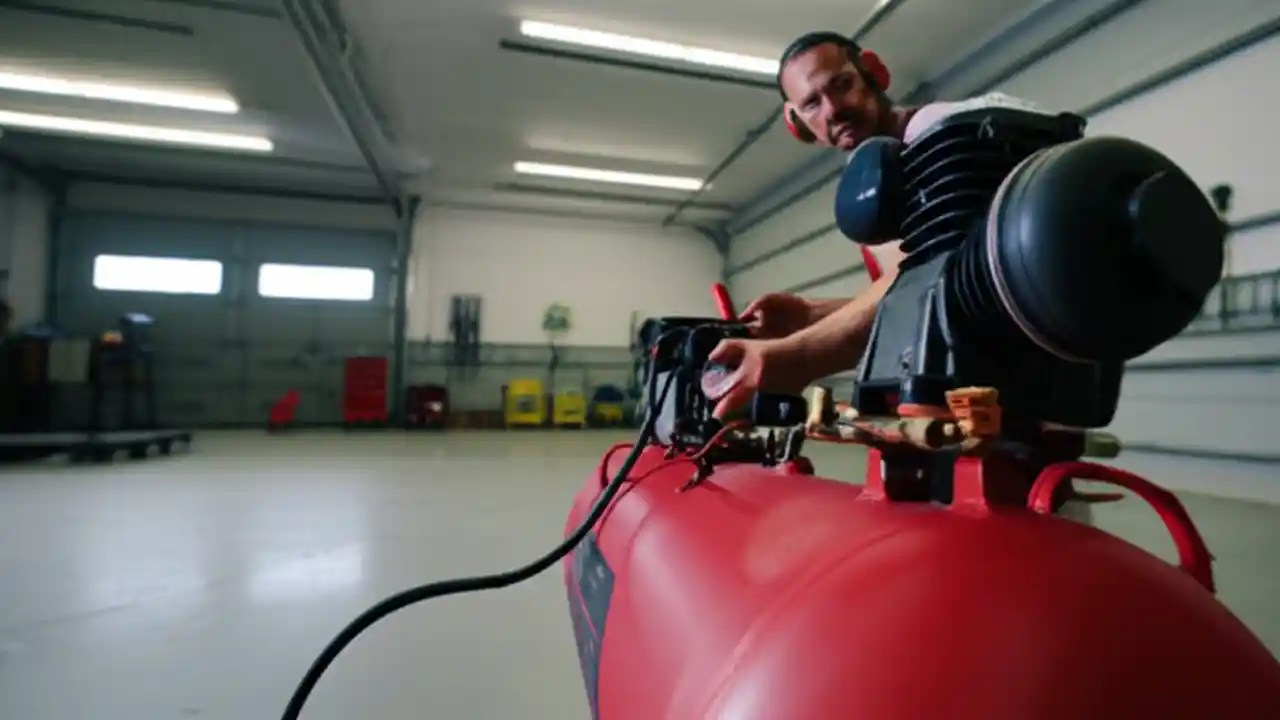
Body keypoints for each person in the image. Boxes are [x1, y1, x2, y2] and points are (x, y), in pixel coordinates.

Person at [710, 32, 1039, 418]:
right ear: (797, 123)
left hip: (1003, 403)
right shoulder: (879, 181)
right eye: (812, 103)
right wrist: (809, 314)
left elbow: (941, 282)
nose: (832, 110)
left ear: (874, 73)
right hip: (937, 401)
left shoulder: (938, 135)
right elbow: (917, 297)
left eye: (842, 84)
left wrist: (793, 358)